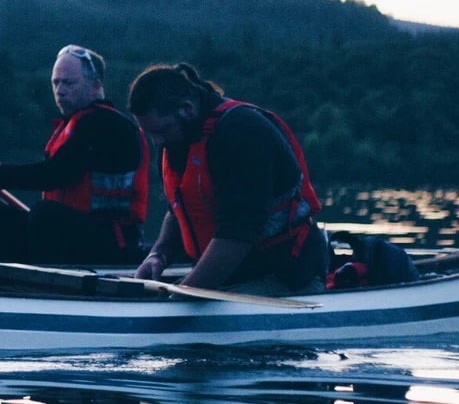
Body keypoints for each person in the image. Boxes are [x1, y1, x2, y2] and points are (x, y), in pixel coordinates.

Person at [128, 62, 327, 294]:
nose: (157, 142)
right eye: (150, 134)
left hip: (285, 278)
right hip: (230, 277)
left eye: (161, 131)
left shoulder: (241, 133)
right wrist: (158, 256)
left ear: (187, 108)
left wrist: (184, 292)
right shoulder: (177, 138)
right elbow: (179, 209)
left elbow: (237, 233)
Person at [0, 44, 150, 265]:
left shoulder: (107, 125)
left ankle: (39, 279)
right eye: (56, 82)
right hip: (69, 235)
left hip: (111, 242)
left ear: (95, 86)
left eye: (69, 83)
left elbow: (55, 174)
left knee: (45, 214)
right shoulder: (76, 124)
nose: (60, 90)